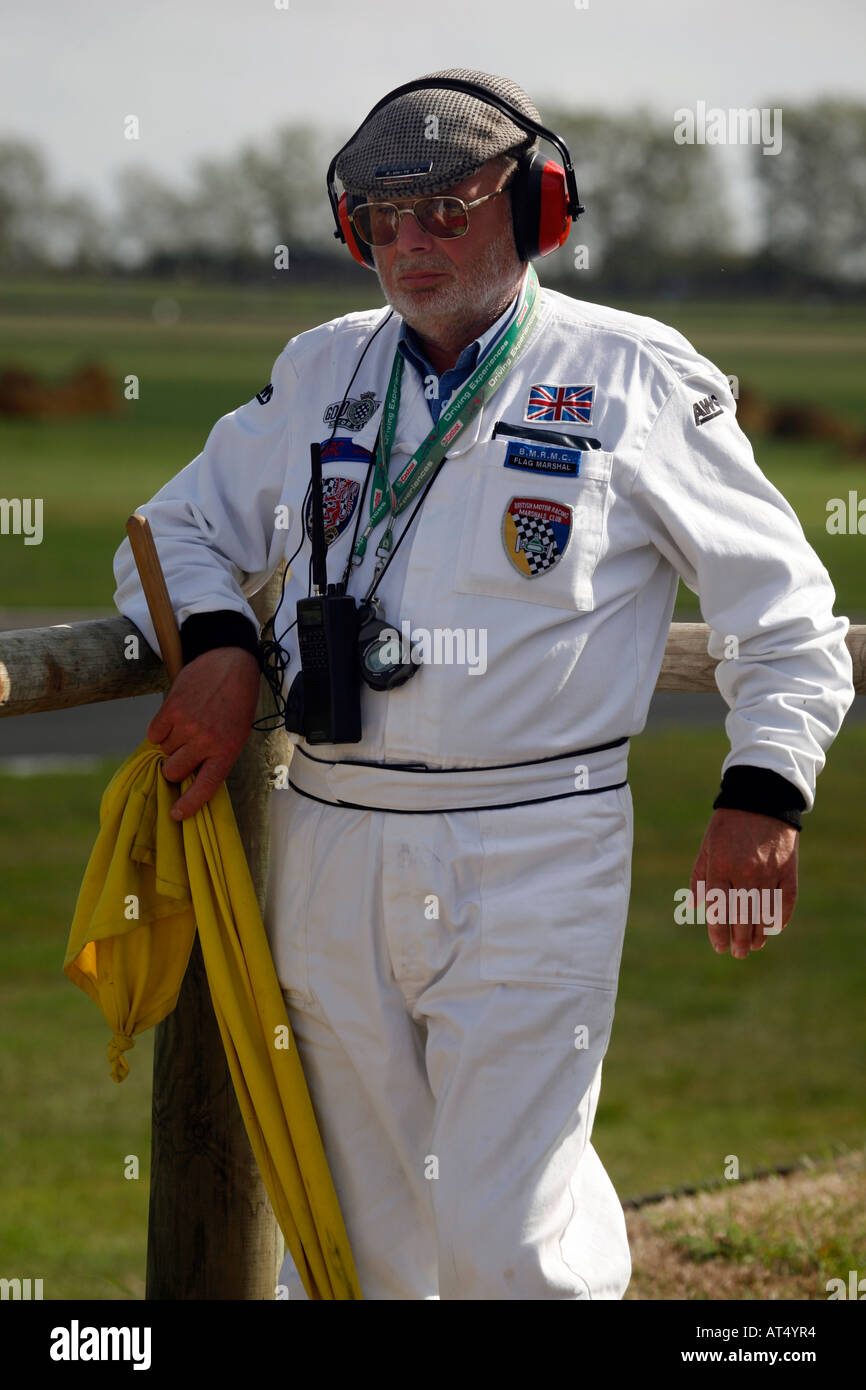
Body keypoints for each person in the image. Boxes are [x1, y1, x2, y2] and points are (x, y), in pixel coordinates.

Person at [112, 68, 855, 1300]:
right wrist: (225, 649)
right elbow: (171, 528)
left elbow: (781, 607)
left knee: (508, 1240)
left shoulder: (633, 375)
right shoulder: (319, 373)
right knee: (356, 1235)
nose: (408, 245)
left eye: (445, 211)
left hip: (535, 843)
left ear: (538, 206)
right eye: (379, 219)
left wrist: (763, 791)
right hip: (331, 833)